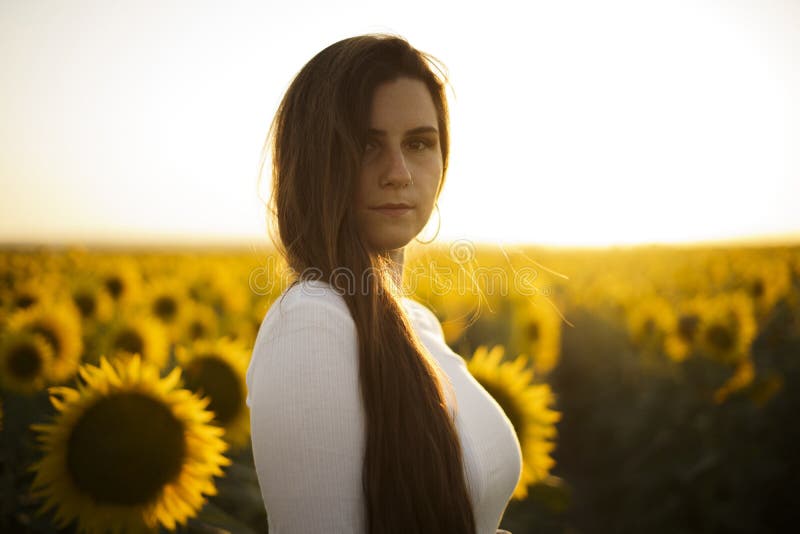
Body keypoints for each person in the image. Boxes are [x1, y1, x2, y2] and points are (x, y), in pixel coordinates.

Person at [246, 33, 522, 534]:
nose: (398, 173)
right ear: (315, 161)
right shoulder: (310, 324)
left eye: (419, 143)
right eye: (366, 144)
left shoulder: (415, 322)